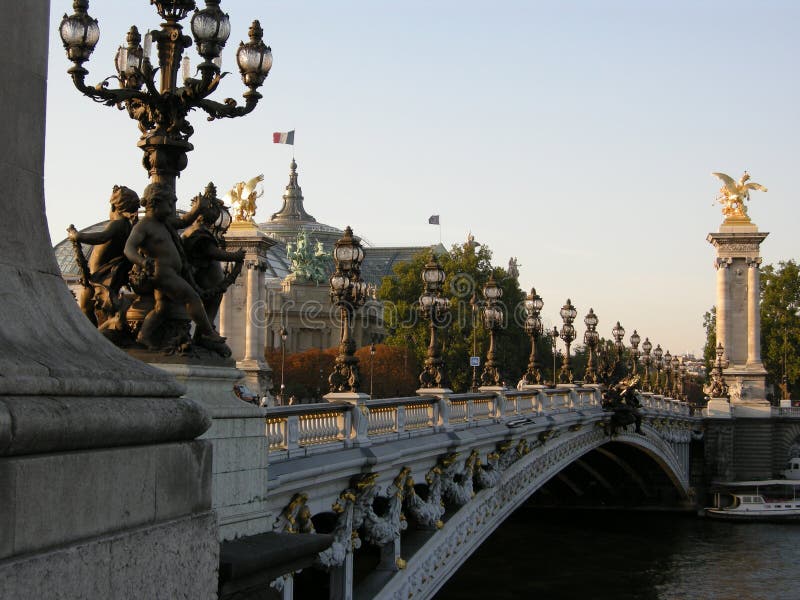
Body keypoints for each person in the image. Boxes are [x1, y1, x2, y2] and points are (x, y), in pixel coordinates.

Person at [124, 182, 227, 352]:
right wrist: (142, 262)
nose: (172, 208)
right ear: (155, 202)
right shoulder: (144, 225)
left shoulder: (163, 222)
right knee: (192, 298)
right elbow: (129, 248)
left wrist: (197, 209)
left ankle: (143, 336)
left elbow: (183, 221)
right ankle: (207, 332)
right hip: (162, 272)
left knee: (162, 307)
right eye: (170, 203)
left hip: (169, 272)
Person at [67, 185, 140, 327]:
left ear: (114, 207)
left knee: (85, 306)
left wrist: (77, 236)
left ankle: (95, 334)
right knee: (96, 308)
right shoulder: (127, 226)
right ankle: (104, 329)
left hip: (99, 277)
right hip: (106, 275)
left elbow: (101, 237)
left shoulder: (117, 224)